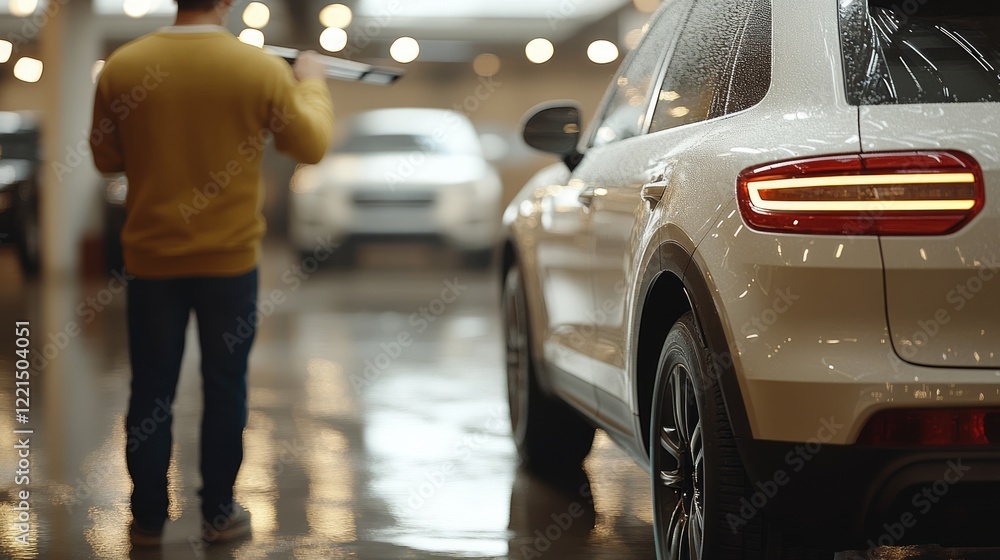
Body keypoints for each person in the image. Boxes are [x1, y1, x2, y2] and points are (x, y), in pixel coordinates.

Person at [90, 0, 334, 547]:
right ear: (226, 2)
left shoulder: (124, 66)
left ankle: (148, 518)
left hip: (151, 261)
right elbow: (311, 144)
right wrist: (312, 81)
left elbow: (106, 159)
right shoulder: (260, 69)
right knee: (226, 386)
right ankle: (219, 513)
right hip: (228, 263)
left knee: (151, 390)